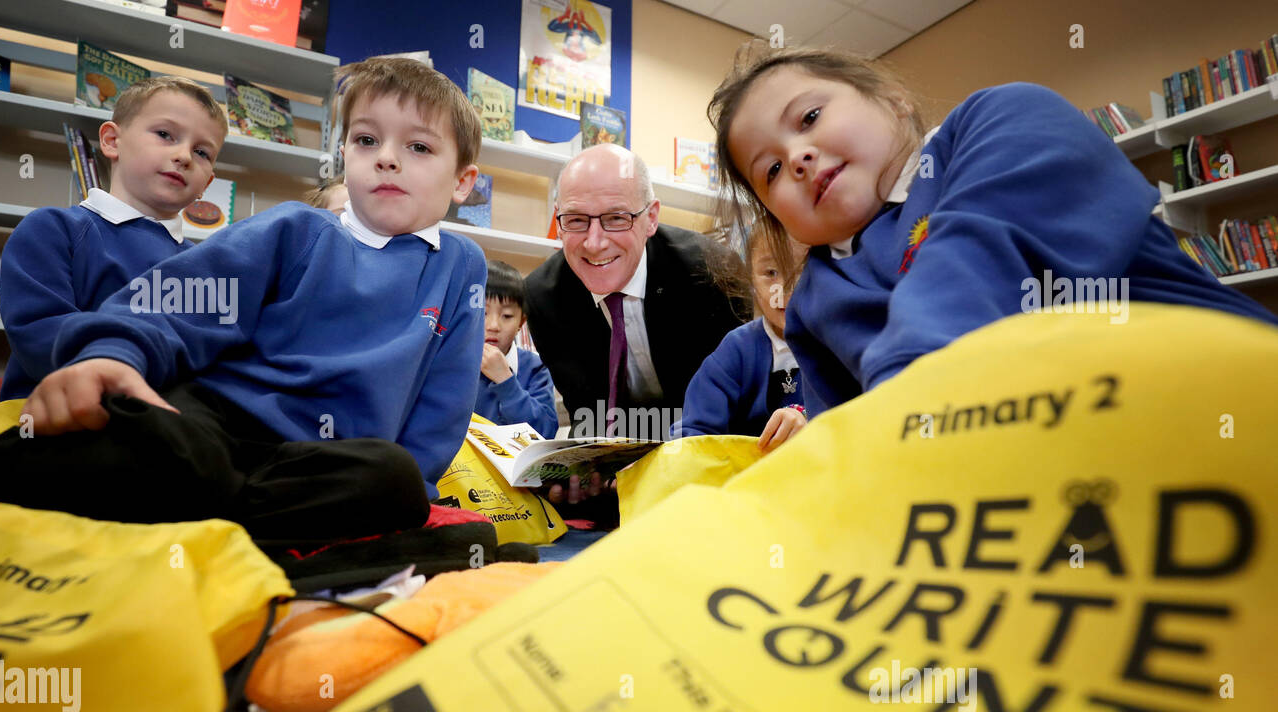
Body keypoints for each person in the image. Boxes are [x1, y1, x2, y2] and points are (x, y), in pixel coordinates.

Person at [0, 55, 485, 545]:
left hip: (323, 460)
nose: (387, 157)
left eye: (419, 147)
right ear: (344, 154)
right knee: (154, 434)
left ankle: (203, 521)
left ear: (463, 180)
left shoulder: (461, 267)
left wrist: (406, 499)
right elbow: (177, 301)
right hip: (219, 421)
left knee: (393, 479)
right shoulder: (298, 227)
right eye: (367, 140)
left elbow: (446, 402)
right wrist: (111, 353)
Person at [708, 43, 1277, 416]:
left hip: (1222, 403)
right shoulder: (814, 301)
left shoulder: (999, 119)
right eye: (773, 170)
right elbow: (846, 430)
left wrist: (903, 413)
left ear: (893, 99)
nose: (799, 157)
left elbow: (972, 263)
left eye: (809, 118)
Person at [0, 76, 227, 399]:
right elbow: (36, 329)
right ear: (111, 141)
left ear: (207, 183)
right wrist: (116, 362)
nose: (184, 156)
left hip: (162, 425)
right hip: (58, 420)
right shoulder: (52, 229)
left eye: (202, 152)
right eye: (165, 134)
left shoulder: (201, 264)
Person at [524, 143, 750, 440]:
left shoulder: (712, 271)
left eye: (617, 218)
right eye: (576, 220)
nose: (594, 243)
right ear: (559, 221)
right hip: (623, 443)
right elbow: (588, 412)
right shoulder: (543, 294)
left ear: (651, 218)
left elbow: (739, 398)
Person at [673, 222, 809, 453]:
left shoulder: (842, 346)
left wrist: (809, 420)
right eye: (771, 273)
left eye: (802, 272)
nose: (785, 288)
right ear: (750, 280)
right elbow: (693, 433)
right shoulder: (736, 349)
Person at [474, 260, 558, 438]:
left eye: (507, 316)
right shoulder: (452, 361)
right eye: (483, 312)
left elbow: (546, 432)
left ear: (521, 322)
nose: (494, 326)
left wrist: (505, 381)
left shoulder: (535, 367)